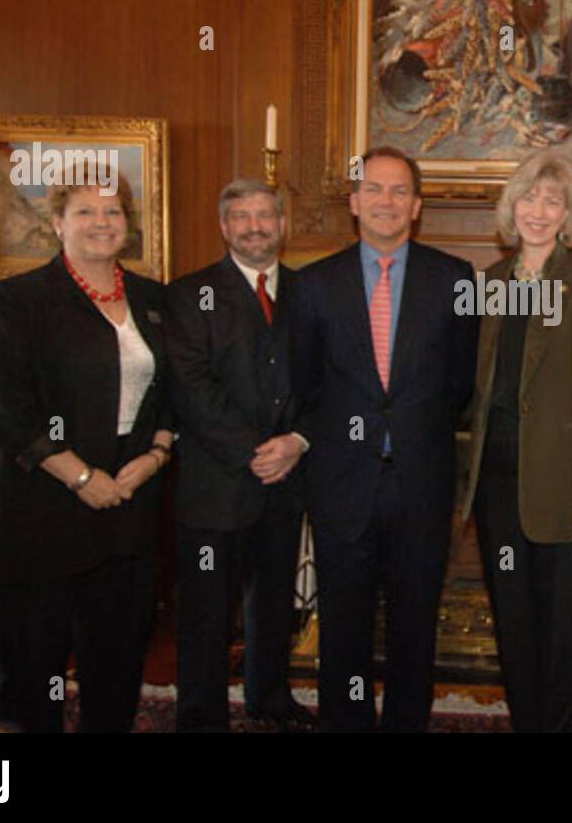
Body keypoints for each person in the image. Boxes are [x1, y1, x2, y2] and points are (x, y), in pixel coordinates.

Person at [288, 146, 478, 732]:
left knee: (414, 625)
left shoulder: (455, 279)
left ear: (417, 206)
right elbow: (305, 385)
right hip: (343, 484)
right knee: (343, 625)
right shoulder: (314, 284)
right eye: (374, 189)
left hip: (420, 483)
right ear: (354, 202)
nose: (387, 201)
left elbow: (460, 385)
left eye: (400, 191)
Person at [0, 168, 173, 733]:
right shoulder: (18, 300)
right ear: (58, 222)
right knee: (34, 668)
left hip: (128, 504)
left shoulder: (153, 299)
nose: (100, 223)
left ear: (128, 226)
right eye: (85, 211)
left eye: (112, 212)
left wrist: (156, 456)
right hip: (39, 506)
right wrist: (83, 478)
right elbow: (8, 410)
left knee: (116, 659)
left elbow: (171, 395)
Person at [462, 149, 572, 733]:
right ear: (511, 207)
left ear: (568, 214)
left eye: (552, 200)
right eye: (528, 197)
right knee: (514, 623)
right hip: (498, 485)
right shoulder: (492, 282)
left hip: (568, 486)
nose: (538, 210)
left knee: (566, 629)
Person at [166, 179, 311, 732]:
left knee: (274, 602)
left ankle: (269, 698)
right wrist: (255, 451)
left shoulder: (308, 292)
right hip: (216, 483)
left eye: (265, 215)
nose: (255, 226)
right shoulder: (188, 294)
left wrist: (296, 442)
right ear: (224, 227)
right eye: (242, 217)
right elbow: (191, 387)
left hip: (287, 479)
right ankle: (201, 715)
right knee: (207, 610)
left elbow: (324, 381)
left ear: (282, 224)